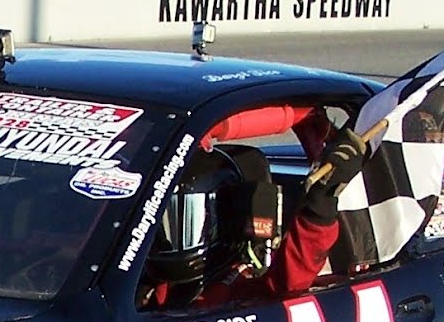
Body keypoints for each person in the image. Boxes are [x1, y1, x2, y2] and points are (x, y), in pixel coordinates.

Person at [140, 117, 367, 307]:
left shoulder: (234, 284)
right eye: (164, 220)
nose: (171, 235)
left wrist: (321, 203)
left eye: (191, 217)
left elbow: (288, 284)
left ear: (223, 217)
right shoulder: (133, 275)